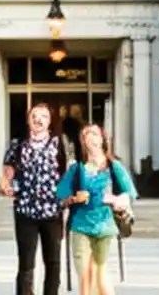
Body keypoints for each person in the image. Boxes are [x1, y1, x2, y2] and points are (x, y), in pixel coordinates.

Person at [57, 124, 138, 295]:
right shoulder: (76, 169)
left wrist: (116, 200)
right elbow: (61, 194)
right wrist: (73, 198)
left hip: (105, 226)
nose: (90, 137)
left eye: (94, 133)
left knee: (100, 274)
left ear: (102, 139)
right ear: (83, 141)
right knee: (85, 276)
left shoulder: (113, 166)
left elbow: (129, 193)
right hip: (80, 226)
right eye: (86, 134)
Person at [1, 102, 67, 295]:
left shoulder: (60, 144)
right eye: (34, 115)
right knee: (26, 262)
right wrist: (7, 183)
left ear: (50, 121)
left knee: (53, 261)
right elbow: (8, 172)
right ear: (28, 119)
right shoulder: (17, 145)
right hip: (25, 211)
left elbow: (68, 174)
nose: (38, 119)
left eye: (44, 116)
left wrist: (68, 201)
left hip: (52, 211)